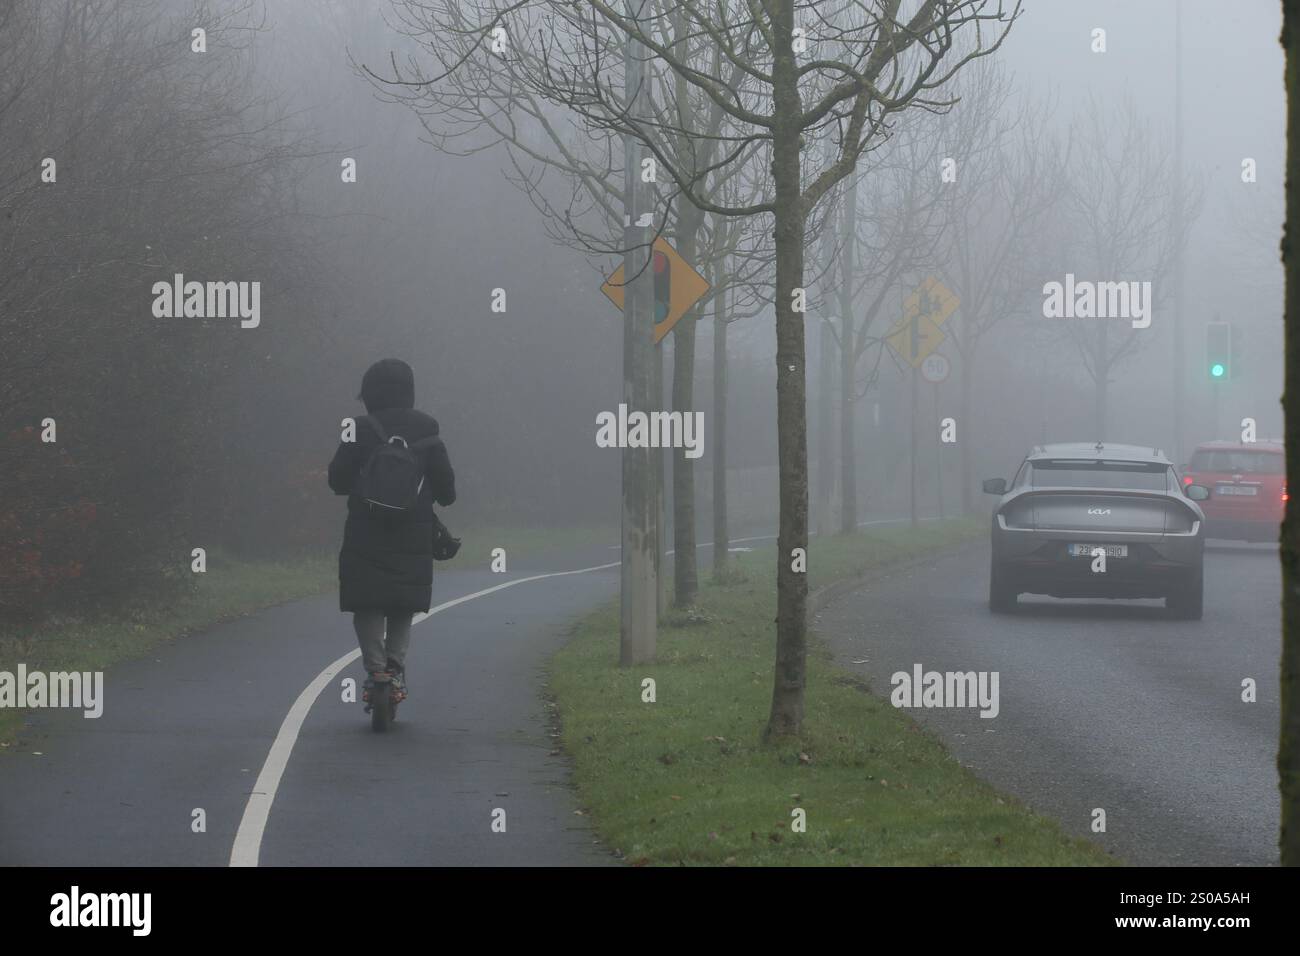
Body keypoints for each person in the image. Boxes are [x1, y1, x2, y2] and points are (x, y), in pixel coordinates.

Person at [327, 359, 455, 704]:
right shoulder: (428, 430)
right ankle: (395, 669)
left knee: (367, 600)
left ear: (369, 393)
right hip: (412, 533)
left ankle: (376, 670)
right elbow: (447, 493)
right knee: (402, 600)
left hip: (365, 530)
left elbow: (336, 481)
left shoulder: (357, 428)